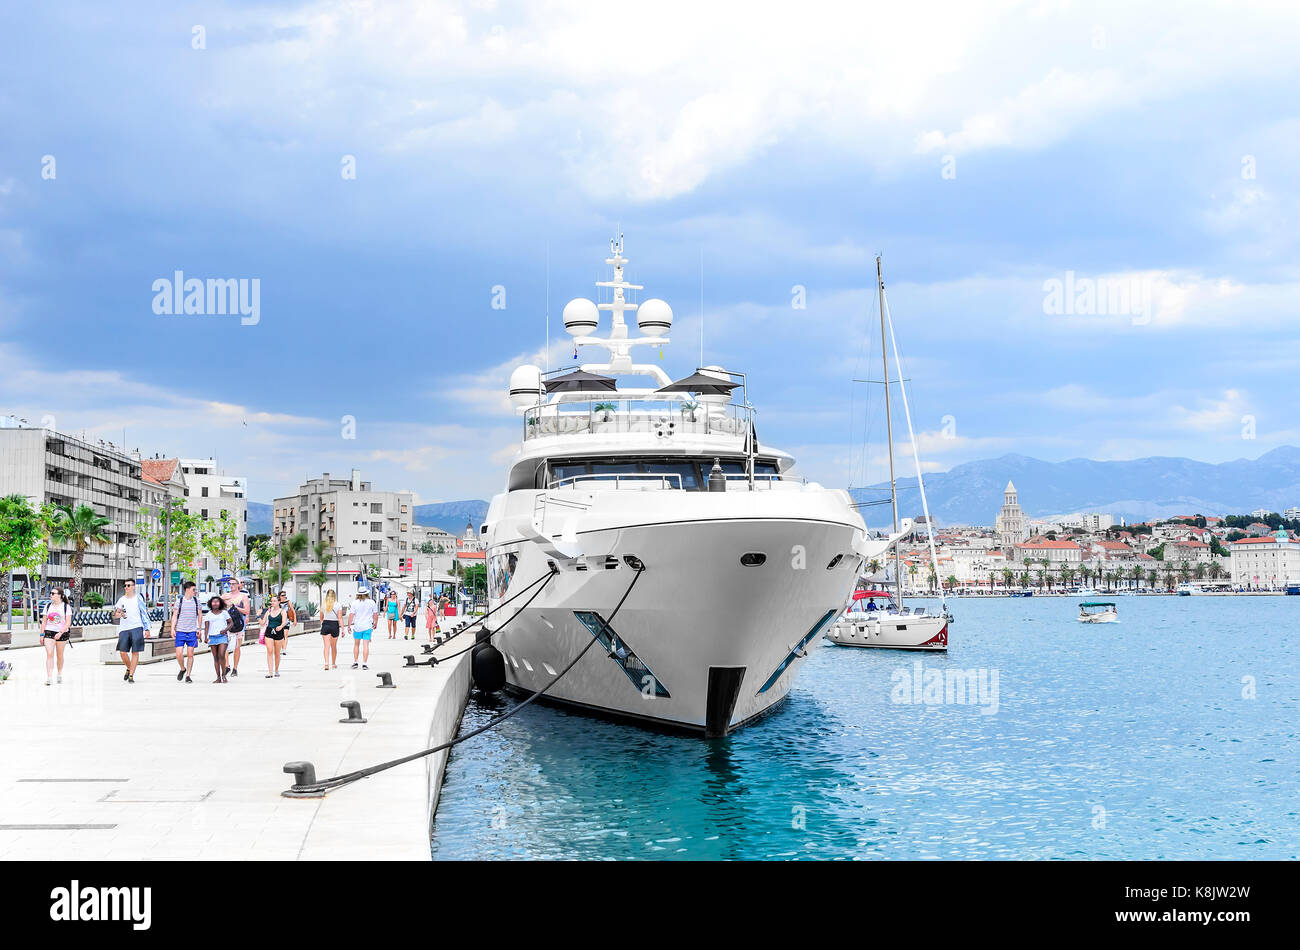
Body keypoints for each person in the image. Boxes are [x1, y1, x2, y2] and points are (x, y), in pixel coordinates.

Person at [113, 578, 154, 684]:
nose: (126, 587)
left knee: (135, 652)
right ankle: (129, 668)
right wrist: (120, 614)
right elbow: (116, 614)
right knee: (123, 652)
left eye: (128, 585)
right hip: (124, 628)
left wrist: (147, 628)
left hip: (137, 627)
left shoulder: (138, 598)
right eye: (125, 586)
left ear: (133, 587)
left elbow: (144, 614)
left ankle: (131, 675)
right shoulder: (121, 599)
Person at [168, 581, 201, 683]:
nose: (195, 592)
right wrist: (172, 628)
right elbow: (174, 616)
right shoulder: (179, 601)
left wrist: (199, 628)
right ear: (187, 590)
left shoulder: (196, 601)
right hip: (181, 631)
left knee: (190, 654)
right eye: (193, 590)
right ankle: (183, 668)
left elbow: (200, 615)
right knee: (179, 653)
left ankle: (188, 675)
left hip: (192, 631)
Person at [41, 586, 72, 686]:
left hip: (61, 633)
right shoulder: (48, 606)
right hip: (49, 632)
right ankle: (49, 677)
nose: (51, 595)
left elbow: (68, 622)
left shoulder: (66, 607)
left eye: (53, 593)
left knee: (59, 655)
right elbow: (44, 621)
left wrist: (60, 632)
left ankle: (59, 674)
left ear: (60, 595)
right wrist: (42, 634)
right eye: (51, 593)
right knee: (49, 653)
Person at [223, 578, 251, 678]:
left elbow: (247, 611)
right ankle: (227, 665)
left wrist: (234, 607)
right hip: (227, 624)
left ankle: (235, 668)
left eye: (233, 584)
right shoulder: (225, 596)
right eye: (230, 584)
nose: (231, 586)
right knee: (224, 646)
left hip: (238, 623)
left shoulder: (243, 597)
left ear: (238, 585)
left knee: (237, 647)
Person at [203, 595, 234, 684]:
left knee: (221, 655)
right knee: (215, 658)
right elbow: (206, 627)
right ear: (210, 603)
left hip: (222, 637)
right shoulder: (208, 614)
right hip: (212, 637)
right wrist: (205, 637)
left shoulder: (224, 613)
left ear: (220, 603)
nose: (215, 603)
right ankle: (218, 677)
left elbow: (231, 623)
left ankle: (224, 675)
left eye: (217, 602)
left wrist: (225, 630)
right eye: (213, 602)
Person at [349, 587, 377, 669]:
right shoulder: (372, 602)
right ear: (367, 593)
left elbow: (351, 615)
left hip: (357, 626)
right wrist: (375, 623)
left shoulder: (354, 603)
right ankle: (364, 664)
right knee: (366, 645)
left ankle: (355, 662)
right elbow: (375, 614)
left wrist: (349, 626)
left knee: (356, 645)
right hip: (368, 626)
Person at [261, 594, 288, 677]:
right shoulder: (268, 611)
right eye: (271, 601)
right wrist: (258, 617)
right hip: (269, 632)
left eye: (274, 601)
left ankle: (276, 670)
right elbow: (262, 623)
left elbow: (284, 622)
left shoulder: (282, 611)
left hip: (278, 632)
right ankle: (270, 672)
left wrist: (281, 626)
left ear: (279, 602)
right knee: (269, 651)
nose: (272, 602)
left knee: (277, 653)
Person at [320, 589, 342, 670]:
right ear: (334, 596)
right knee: (333, 646)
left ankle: (326, 663)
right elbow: (340, 618)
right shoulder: (338, 605)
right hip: (334, 625)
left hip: (326, 624)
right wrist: (343, 629)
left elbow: (321, 618)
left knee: (326, 646)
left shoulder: (323, 605)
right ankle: (333, 663)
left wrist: (324, 624)